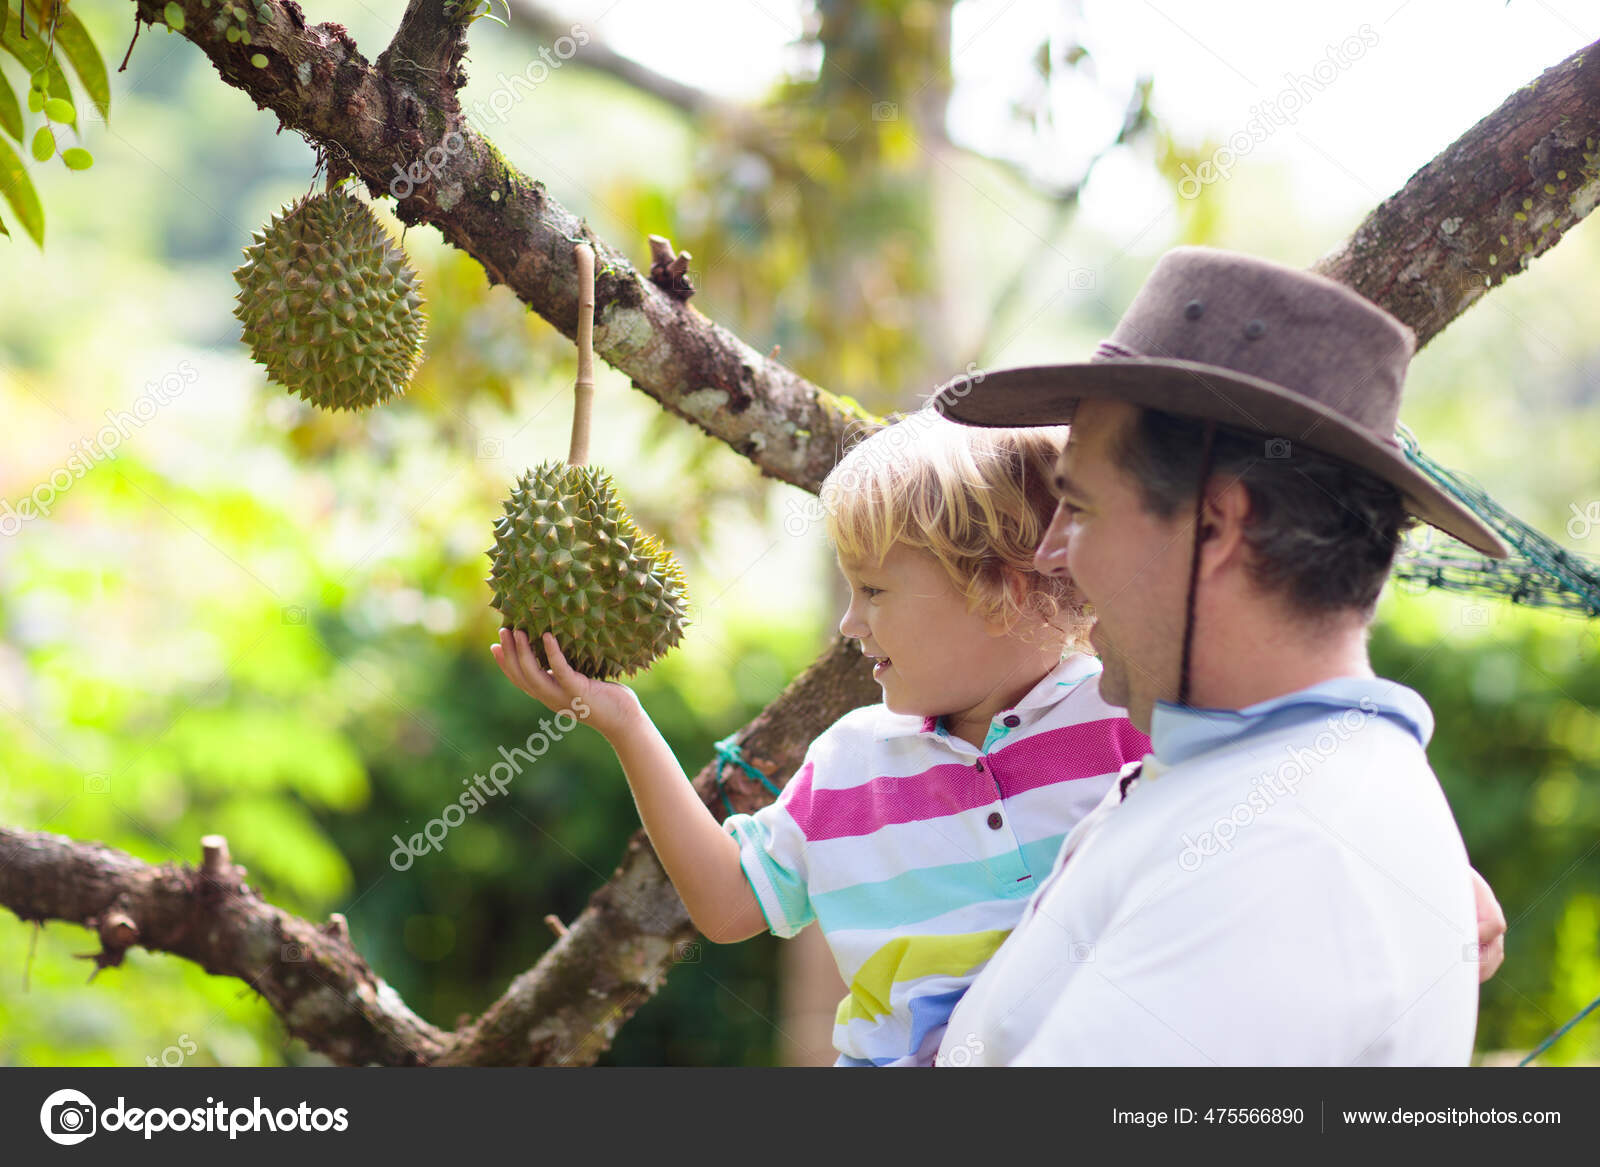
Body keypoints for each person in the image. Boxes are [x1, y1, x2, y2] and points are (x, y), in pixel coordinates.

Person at [931, 246, 1510, 1065]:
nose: (1051, 552)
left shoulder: (1287, 859)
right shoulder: (1250, 783)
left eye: (1080, 505)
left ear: (1214, 526)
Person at [491, 411, 1150, 1065]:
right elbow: (726, 906)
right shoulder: (851, 762)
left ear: (997, 591)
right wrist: (626, 723)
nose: (849, 622)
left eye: (873, 589)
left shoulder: (1128, 724)